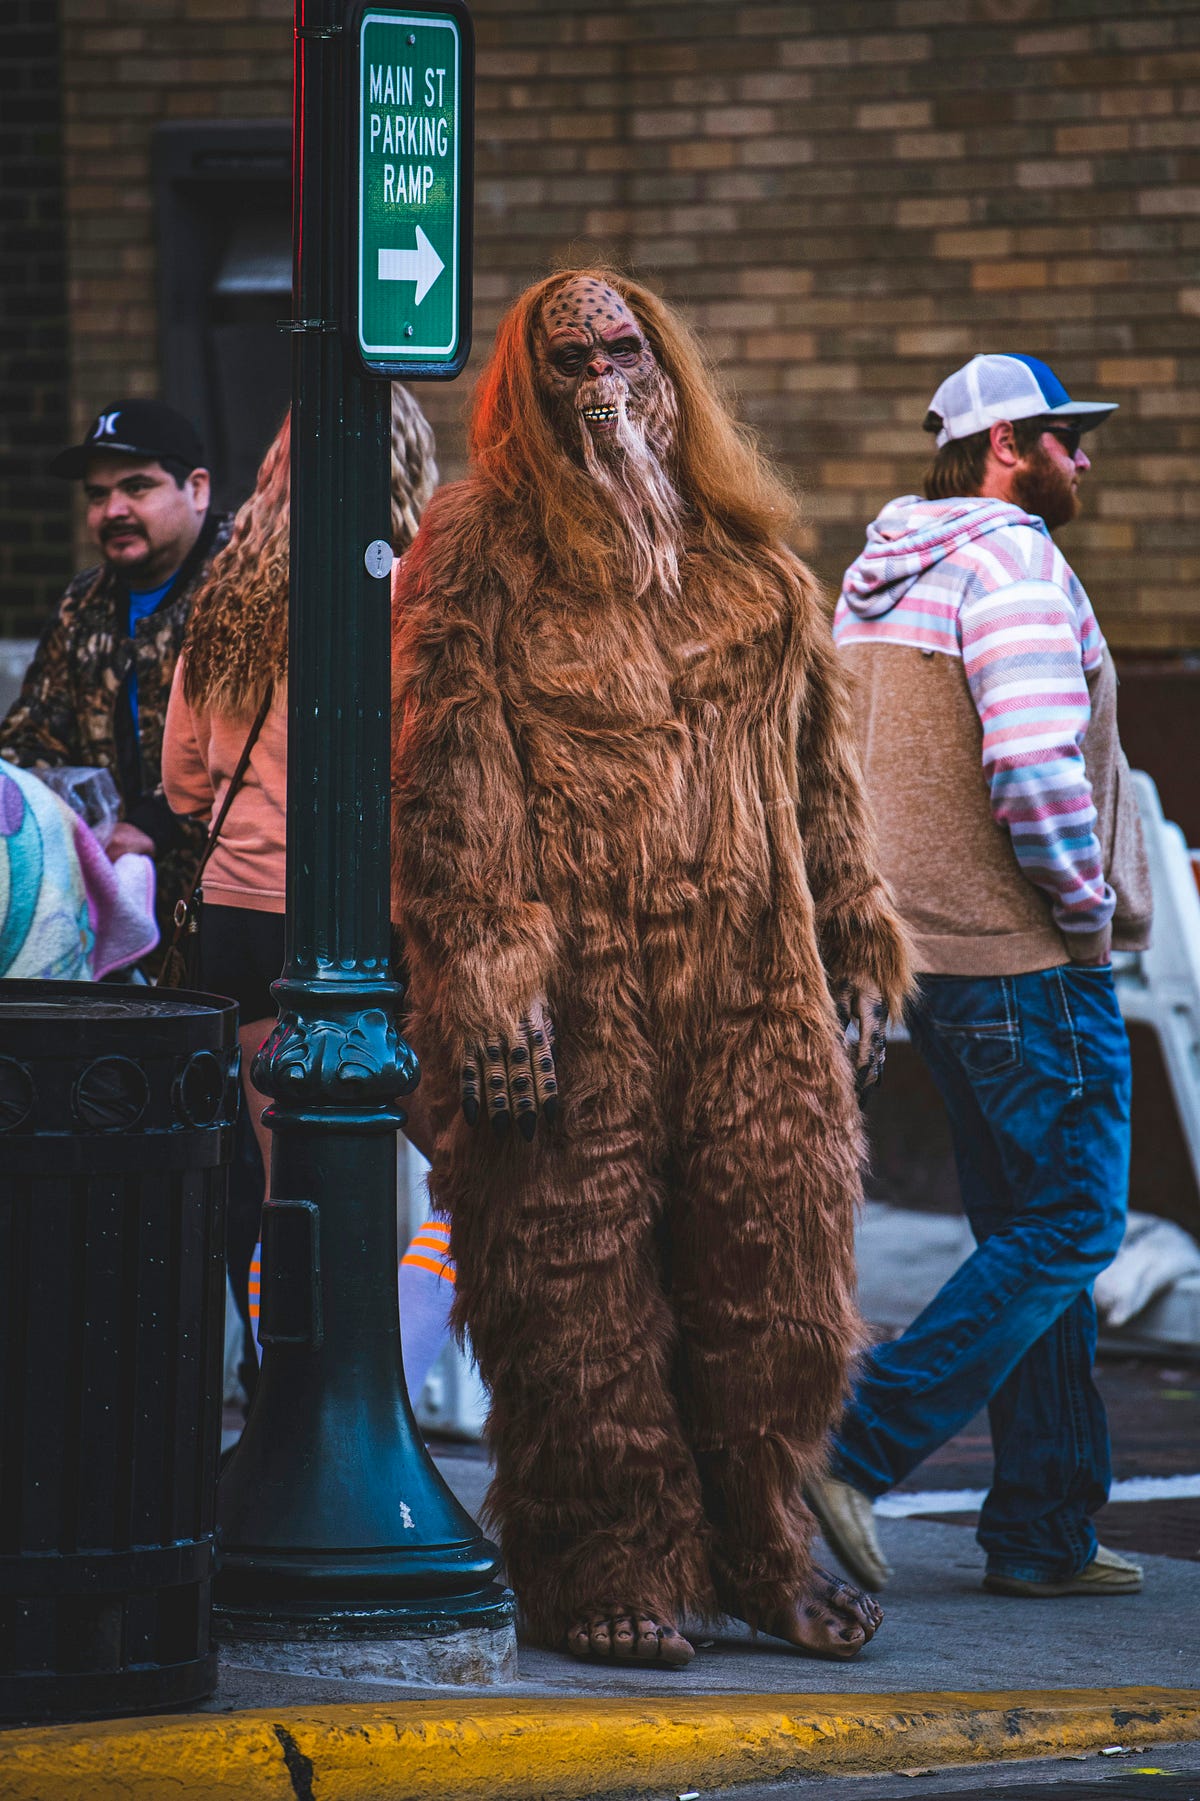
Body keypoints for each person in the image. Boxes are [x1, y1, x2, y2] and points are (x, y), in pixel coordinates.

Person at [390, 269, 910, 1669]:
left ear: (670, 364)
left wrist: (860, 932)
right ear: (528, 387)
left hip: (754, 982)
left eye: (626, 347)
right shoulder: (483, 547)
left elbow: (822, 784)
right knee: (573, 1291)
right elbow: (451, 776)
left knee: (777, 1287)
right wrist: (493, 971)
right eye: (571, 359)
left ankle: (760, 1552)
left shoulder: (754, 566)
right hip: (579, 993)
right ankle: (598, 1566)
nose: (604, 378)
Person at [816, 353, 1152, 1599]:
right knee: (1075, 1224)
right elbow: (1029, 760)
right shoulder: (1012, 561)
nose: (1085, 461)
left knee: (1025, 1235)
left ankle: (1045, 1528)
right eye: (1068, 439)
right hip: (1027, 957)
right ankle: (857, 1441)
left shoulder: (880, 573)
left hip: (931, 959)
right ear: (1007, 444)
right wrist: (1086, 910)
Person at [162, 387, 441, 1383]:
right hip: (368, 917)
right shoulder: (409, 594)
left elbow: (184, 782)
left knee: (288, 1183)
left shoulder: (226, 598)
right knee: (451, 1153)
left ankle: (291, 1388)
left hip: (238, 916)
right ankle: (384, 1368)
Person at [0, 400, 231, 962]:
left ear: (196, 489)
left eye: (137, 487)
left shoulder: (244, 587)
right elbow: (29, 739)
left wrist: (152, 826)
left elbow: (260, 756)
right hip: (102, 907)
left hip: (224, 910)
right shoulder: (86, 600)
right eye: (98, 495)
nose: (113, 510)